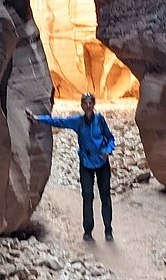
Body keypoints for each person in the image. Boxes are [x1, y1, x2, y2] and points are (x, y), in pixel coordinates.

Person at [26, 92, 116, 241]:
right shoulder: (78, 122)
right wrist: (38, 119)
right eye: (85, 103)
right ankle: (88, 231)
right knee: (87, 196)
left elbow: (110, 138)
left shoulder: (100, 120)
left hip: (102, 164)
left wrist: (107, 150)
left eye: (90, 103)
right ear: (81, 105)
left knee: (105, 196)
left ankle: (108, 230)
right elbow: (59, 122)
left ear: (94, 105)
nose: (88, 106)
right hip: (86, 163)